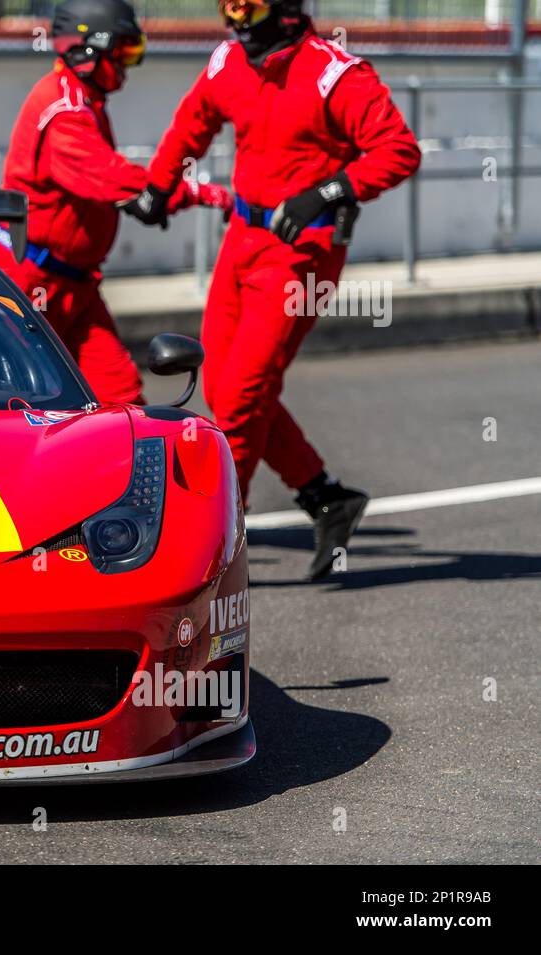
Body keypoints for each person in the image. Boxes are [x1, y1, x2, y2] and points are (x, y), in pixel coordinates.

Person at [128, 0, 421, 580]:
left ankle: (212, 547)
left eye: (249, 2)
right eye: (227, 2)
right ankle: (325, 499)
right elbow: (193, 123)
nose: (236, 16)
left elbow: (398, 150)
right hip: (242, 240)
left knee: (240, 399)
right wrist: (158, 187)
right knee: (223, 385)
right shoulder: (229, 60)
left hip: (301, 255)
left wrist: (329, 190)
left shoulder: (336, 73)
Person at [0, 0, 232, 406]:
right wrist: (194, 194)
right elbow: (113, 177)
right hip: (29, 283)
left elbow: (121, 186)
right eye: (126, 50)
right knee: (11, 403)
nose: (129, 64)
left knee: (121, 399)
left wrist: (160, 197)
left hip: (75, 287)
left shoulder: (84, 100)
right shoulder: (64, 110)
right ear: (91, 48)